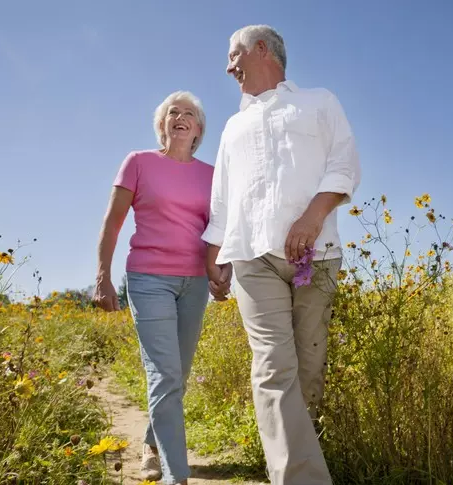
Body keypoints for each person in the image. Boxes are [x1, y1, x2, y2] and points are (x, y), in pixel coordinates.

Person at [203, 25, 361, 485]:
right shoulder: (234, 125)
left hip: (317, 255)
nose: (228, 67)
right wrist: (216, 254)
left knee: (308, 374)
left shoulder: (318, 102)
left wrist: (312, 219)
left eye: (233, 55)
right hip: (254, 258)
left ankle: (291, 461)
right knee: (274, 368)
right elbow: (223, 198)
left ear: (261, 49)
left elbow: (344, 165)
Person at [93, 90, 213, 485]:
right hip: (148, 279)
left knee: (177, 373)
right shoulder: (138, 163)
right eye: (172, 112)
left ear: (198, 129)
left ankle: (151, 444)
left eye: (189, 114)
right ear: (161, 125)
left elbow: (219, 230)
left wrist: (221, 270)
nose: (180, 117)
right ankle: (176, 476)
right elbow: (112, 222)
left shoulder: (211, 174)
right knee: (163, 373)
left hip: (195, 282)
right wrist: (103, 277)